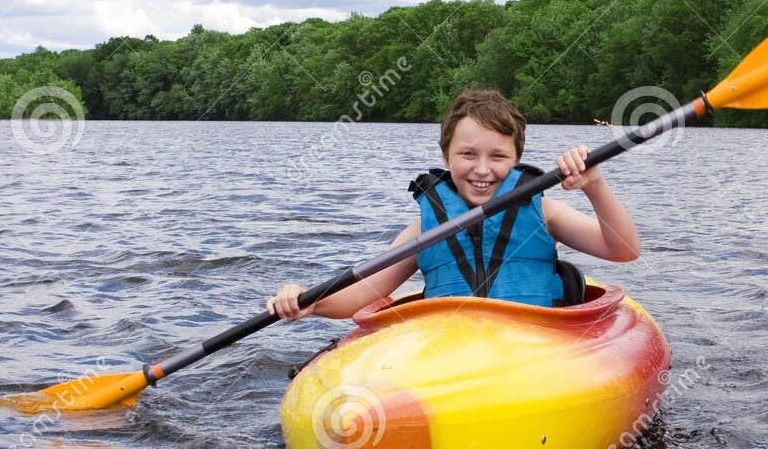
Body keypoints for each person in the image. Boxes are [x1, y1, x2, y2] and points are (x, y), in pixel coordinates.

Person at [266, 87, 641, 322]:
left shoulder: (544, 212)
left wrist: (594, 185)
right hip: (453, 355)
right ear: (446, 156)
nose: (482, 169)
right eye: (467, 154)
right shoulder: (422, 231)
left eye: (497, 156)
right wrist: (309, 302)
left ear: (516, 158)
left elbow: (623, 249)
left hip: (536, 349)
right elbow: (363, 293)